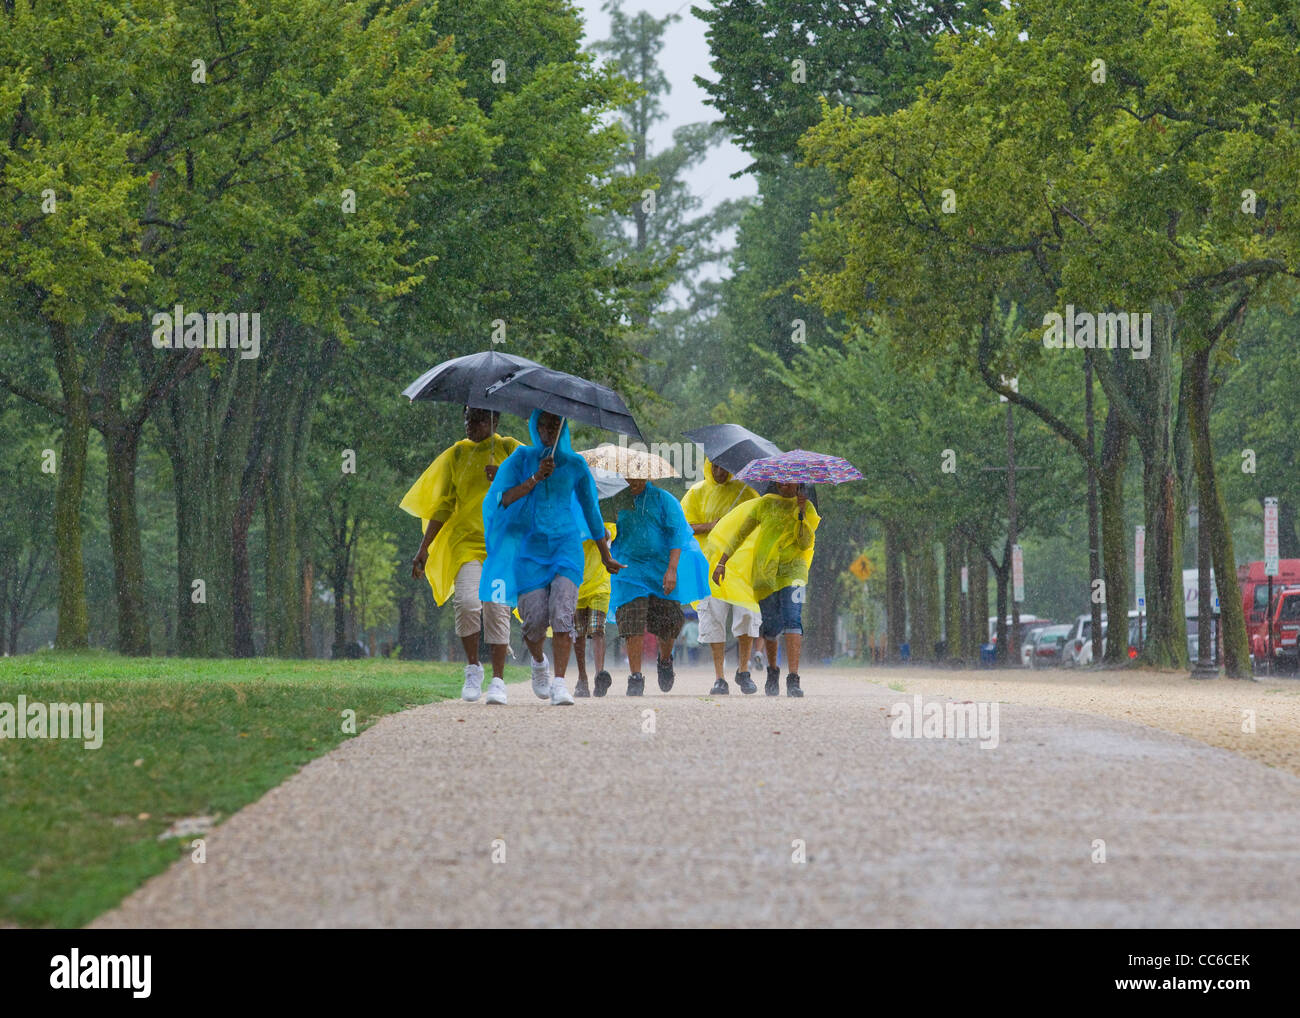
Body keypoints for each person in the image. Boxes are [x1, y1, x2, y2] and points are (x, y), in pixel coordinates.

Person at [481, 410, 622, 706]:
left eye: (553, 425)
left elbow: (591, 512)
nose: (547, 431)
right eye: (542, 425)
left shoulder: (575, 465)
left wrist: (605, 555)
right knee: (533, 622)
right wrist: (534, 478)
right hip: (529, 551)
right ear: (534, 427)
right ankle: (538, 661)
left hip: (566, 548)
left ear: (563, 427)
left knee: (562, 612)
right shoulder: (521, 459)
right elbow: (501, 499)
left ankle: (559, 683)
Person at [403, 407, 524, 704]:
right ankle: (473, 668)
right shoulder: (457, 454)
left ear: (495, 421)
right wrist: (424, 548)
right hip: (466, 543)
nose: (470, 425)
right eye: (467, 419)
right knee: (468, 603)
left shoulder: (511, 449)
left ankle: (498, 681)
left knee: (496, 607)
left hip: (501, 544)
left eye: (479, 419)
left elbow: (536, 485)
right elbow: (444, 505)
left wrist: (504, 478)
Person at [708, 482, 820, 697]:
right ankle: (773, 671)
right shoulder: (764, 504)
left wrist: (802, 513)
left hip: (793, 573)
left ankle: (793, 679)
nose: (784, 484)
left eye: (789, 480)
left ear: (799, 483)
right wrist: (722, 562)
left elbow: (805, 542)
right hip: (764, 575)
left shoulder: (806, 508)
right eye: (780, 479)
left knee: (793, 619)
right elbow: (740, 534)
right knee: (770, 627)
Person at [608, 475, 711, 695]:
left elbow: (677, 535)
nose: (633, 481)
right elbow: (604, 530)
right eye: (628, 477)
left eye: (638, 476)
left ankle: (665, 660)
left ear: (647, 476)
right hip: (629, 569)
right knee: (631, 619)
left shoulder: (664, 500)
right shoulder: (614, 500)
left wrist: (672, 569)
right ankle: (635, 676)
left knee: (669, 621)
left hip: (660, 568)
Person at [681, 459, 760, 695]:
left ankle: (743, 671)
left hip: (741, 566)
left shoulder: (746, 492)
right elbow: (683, 526)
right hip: (708, 565)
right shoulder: (697, 493)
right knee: (713, 618)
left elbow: (757, 522)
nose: (719, 471)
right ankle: (719, 677)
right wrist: (710, 526)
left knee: (747, 615)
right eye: (715, 466)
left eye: (725, 467)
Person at [574, 521, 616, 697]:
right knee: (578, 634)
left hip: (600, 585)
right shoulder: (573, 515)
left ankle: (599, 675)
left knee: (598, 629)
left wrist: (591, 522)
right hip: (576, 583)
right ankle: (582, 677)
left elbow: (606, 535)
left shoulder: (607, 521)